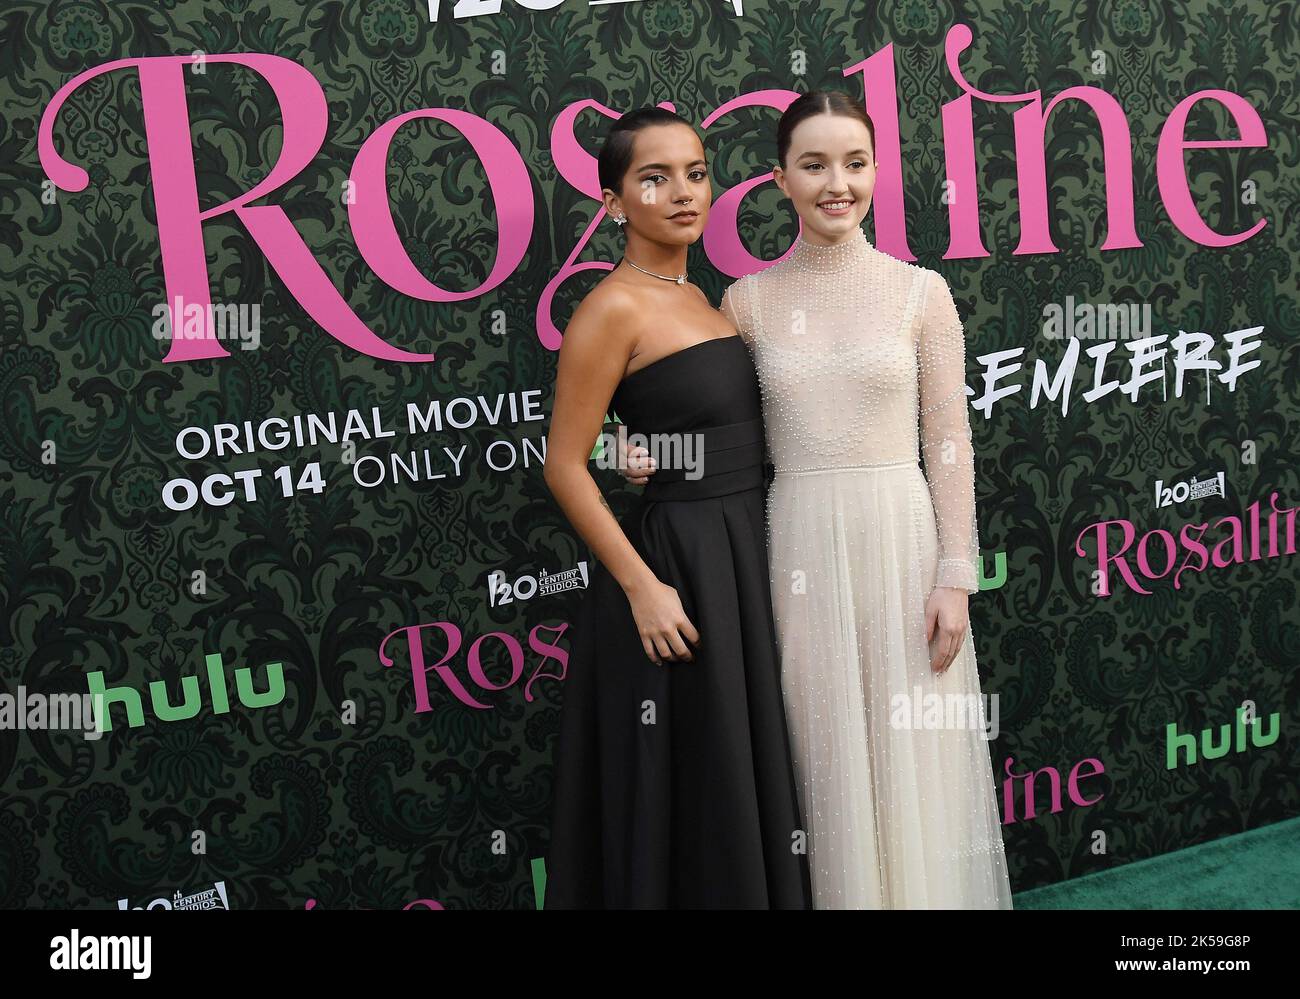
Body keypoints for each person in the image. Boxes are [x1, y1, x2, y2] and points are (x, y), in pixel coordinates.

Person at [623, 91, 1014, 909]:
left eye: (855, 162)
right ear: (780, 180)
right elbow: (726, 439)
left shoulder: (921, 294)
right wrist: (637, 455)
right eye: (814, 165)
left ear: (877, 172)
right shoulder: (747, 302)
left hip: (902, 543)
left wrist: (956, 572)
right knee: (822, 753)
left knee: (916, 761)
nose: (838, 183)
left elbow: (948, 438)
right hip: (797, 548)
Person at [542, 107, 812, 909]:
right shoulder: (610, 308)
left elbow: (700, 432)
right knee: (703, 781)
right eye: (653, 178)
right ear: (615, 202)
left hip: (742, 552)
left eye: (695, 172)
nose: (683, 192)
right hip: (678, 573)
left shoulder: (704, 296)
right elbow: (562, 463)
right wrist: (641, 587)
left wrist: (642, 458)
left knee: (736, 768)